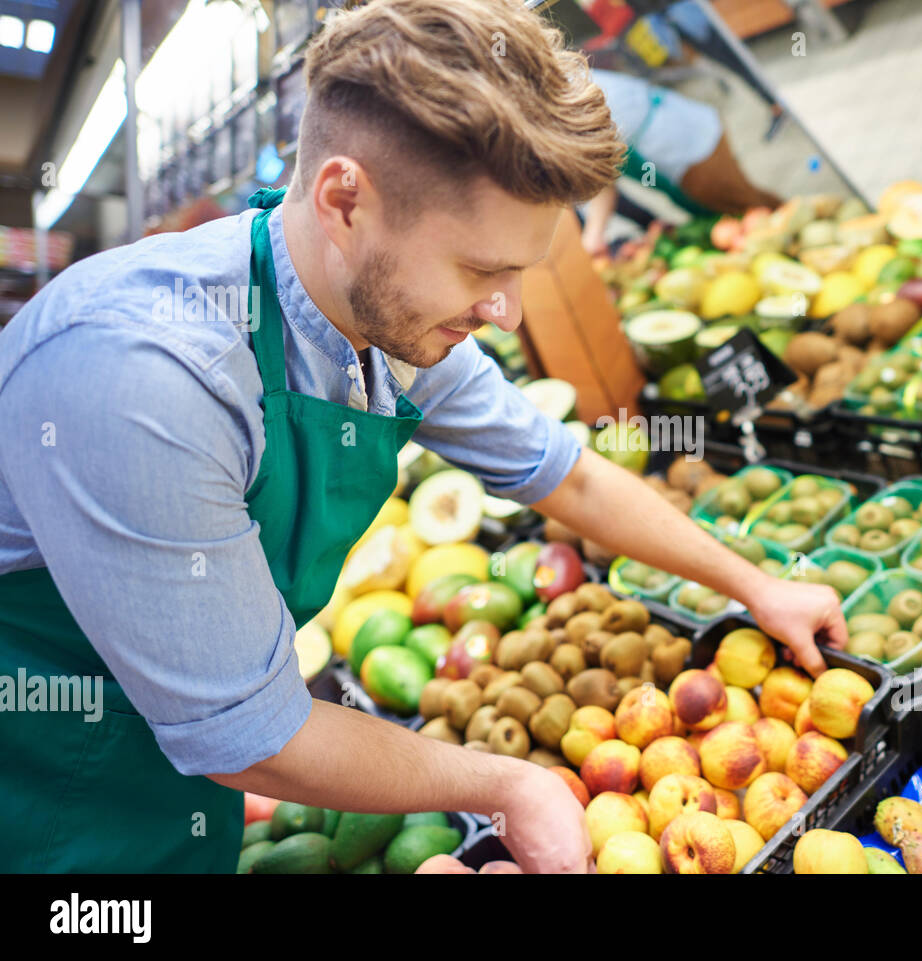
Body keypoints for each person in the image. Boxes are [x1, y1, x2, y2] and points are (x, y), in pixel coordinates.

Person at [0, 0, 845, 874]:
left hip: (179, 767)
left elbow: (564, 472)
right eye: (483, 269)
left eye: (522, 271)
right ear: (344, 202)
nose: (507, 313)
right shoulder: (146, 378)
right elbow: (248, 737)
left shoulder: (379, 317)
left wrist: (758, 585)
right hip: (40, 793)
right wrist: (508, 784)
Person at [581, 68, 783, 257]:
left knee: (750, 214)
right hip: (675, 153)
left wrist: (593, 234)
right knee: (741, 210)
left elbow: (602, 179)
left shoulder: (575, 98)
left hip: (690, 146)